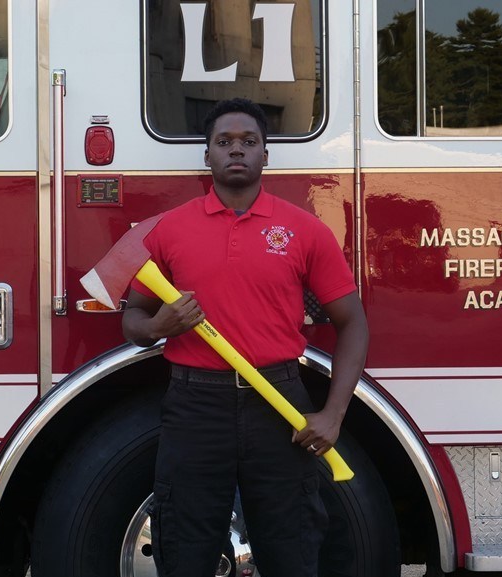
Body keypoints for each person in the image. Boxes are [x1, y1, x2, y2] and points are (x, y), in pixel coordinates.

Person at [121, 98, 369, 577]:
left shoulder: (303, 230)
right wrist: (157, 328)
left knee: (291, 548)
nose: (237, 150)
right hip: (195, 406)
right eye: (224, 142)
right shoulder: (169, 231)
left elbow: (353, 322)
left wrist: (333, 414)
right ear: (207, 156)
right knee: (185, 547)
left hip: (279, 405)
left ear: (265, 156)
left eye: (249, 142)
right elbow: (133, 318)